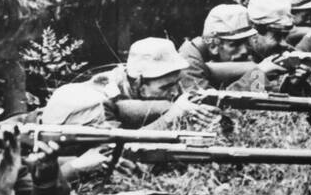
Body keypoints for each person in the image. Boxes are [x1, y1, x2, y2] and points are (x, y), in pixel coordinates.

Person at [39, 38, 221, 177]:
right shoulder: (97, 100)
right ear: (139, 82)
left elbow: (165, 106)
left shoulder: (160, 83)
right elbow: (118, 155)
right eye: (166, 87)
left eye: (176, 83)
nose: (174, 92)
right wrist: (169, 118)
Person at [177, 4, 287, 92]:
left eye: (246, 42)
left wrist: (288, 83)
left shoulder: (199, 57)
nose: (244, 51)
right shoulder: (187, 65)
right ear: (213, 45)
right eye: (235, 44)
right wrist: (258, 73)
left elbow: (255, 98)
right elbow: (211, 106)